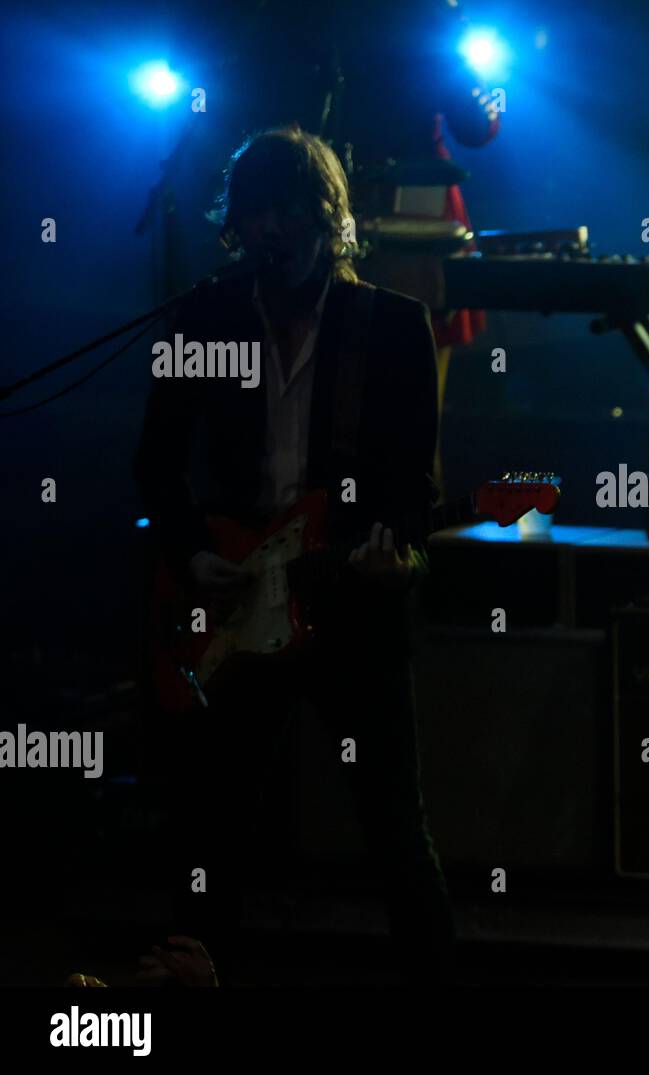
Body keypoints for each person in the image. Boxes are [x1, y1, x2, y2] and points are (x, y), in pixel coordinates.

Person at [134, 126, 454, 985]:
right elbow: (154, 463)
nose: (273, 232)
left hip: (344, 602)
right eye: (255, 215)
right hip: (235, 602)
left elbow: (410, 495)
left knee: (395, 831)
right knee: (210, 830)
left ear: (328, 221)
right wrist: (196, 554)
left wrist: (394, 557)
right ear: (236, 224)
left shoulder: (390, 328)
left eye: (291, 214)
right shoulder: (204, 317)